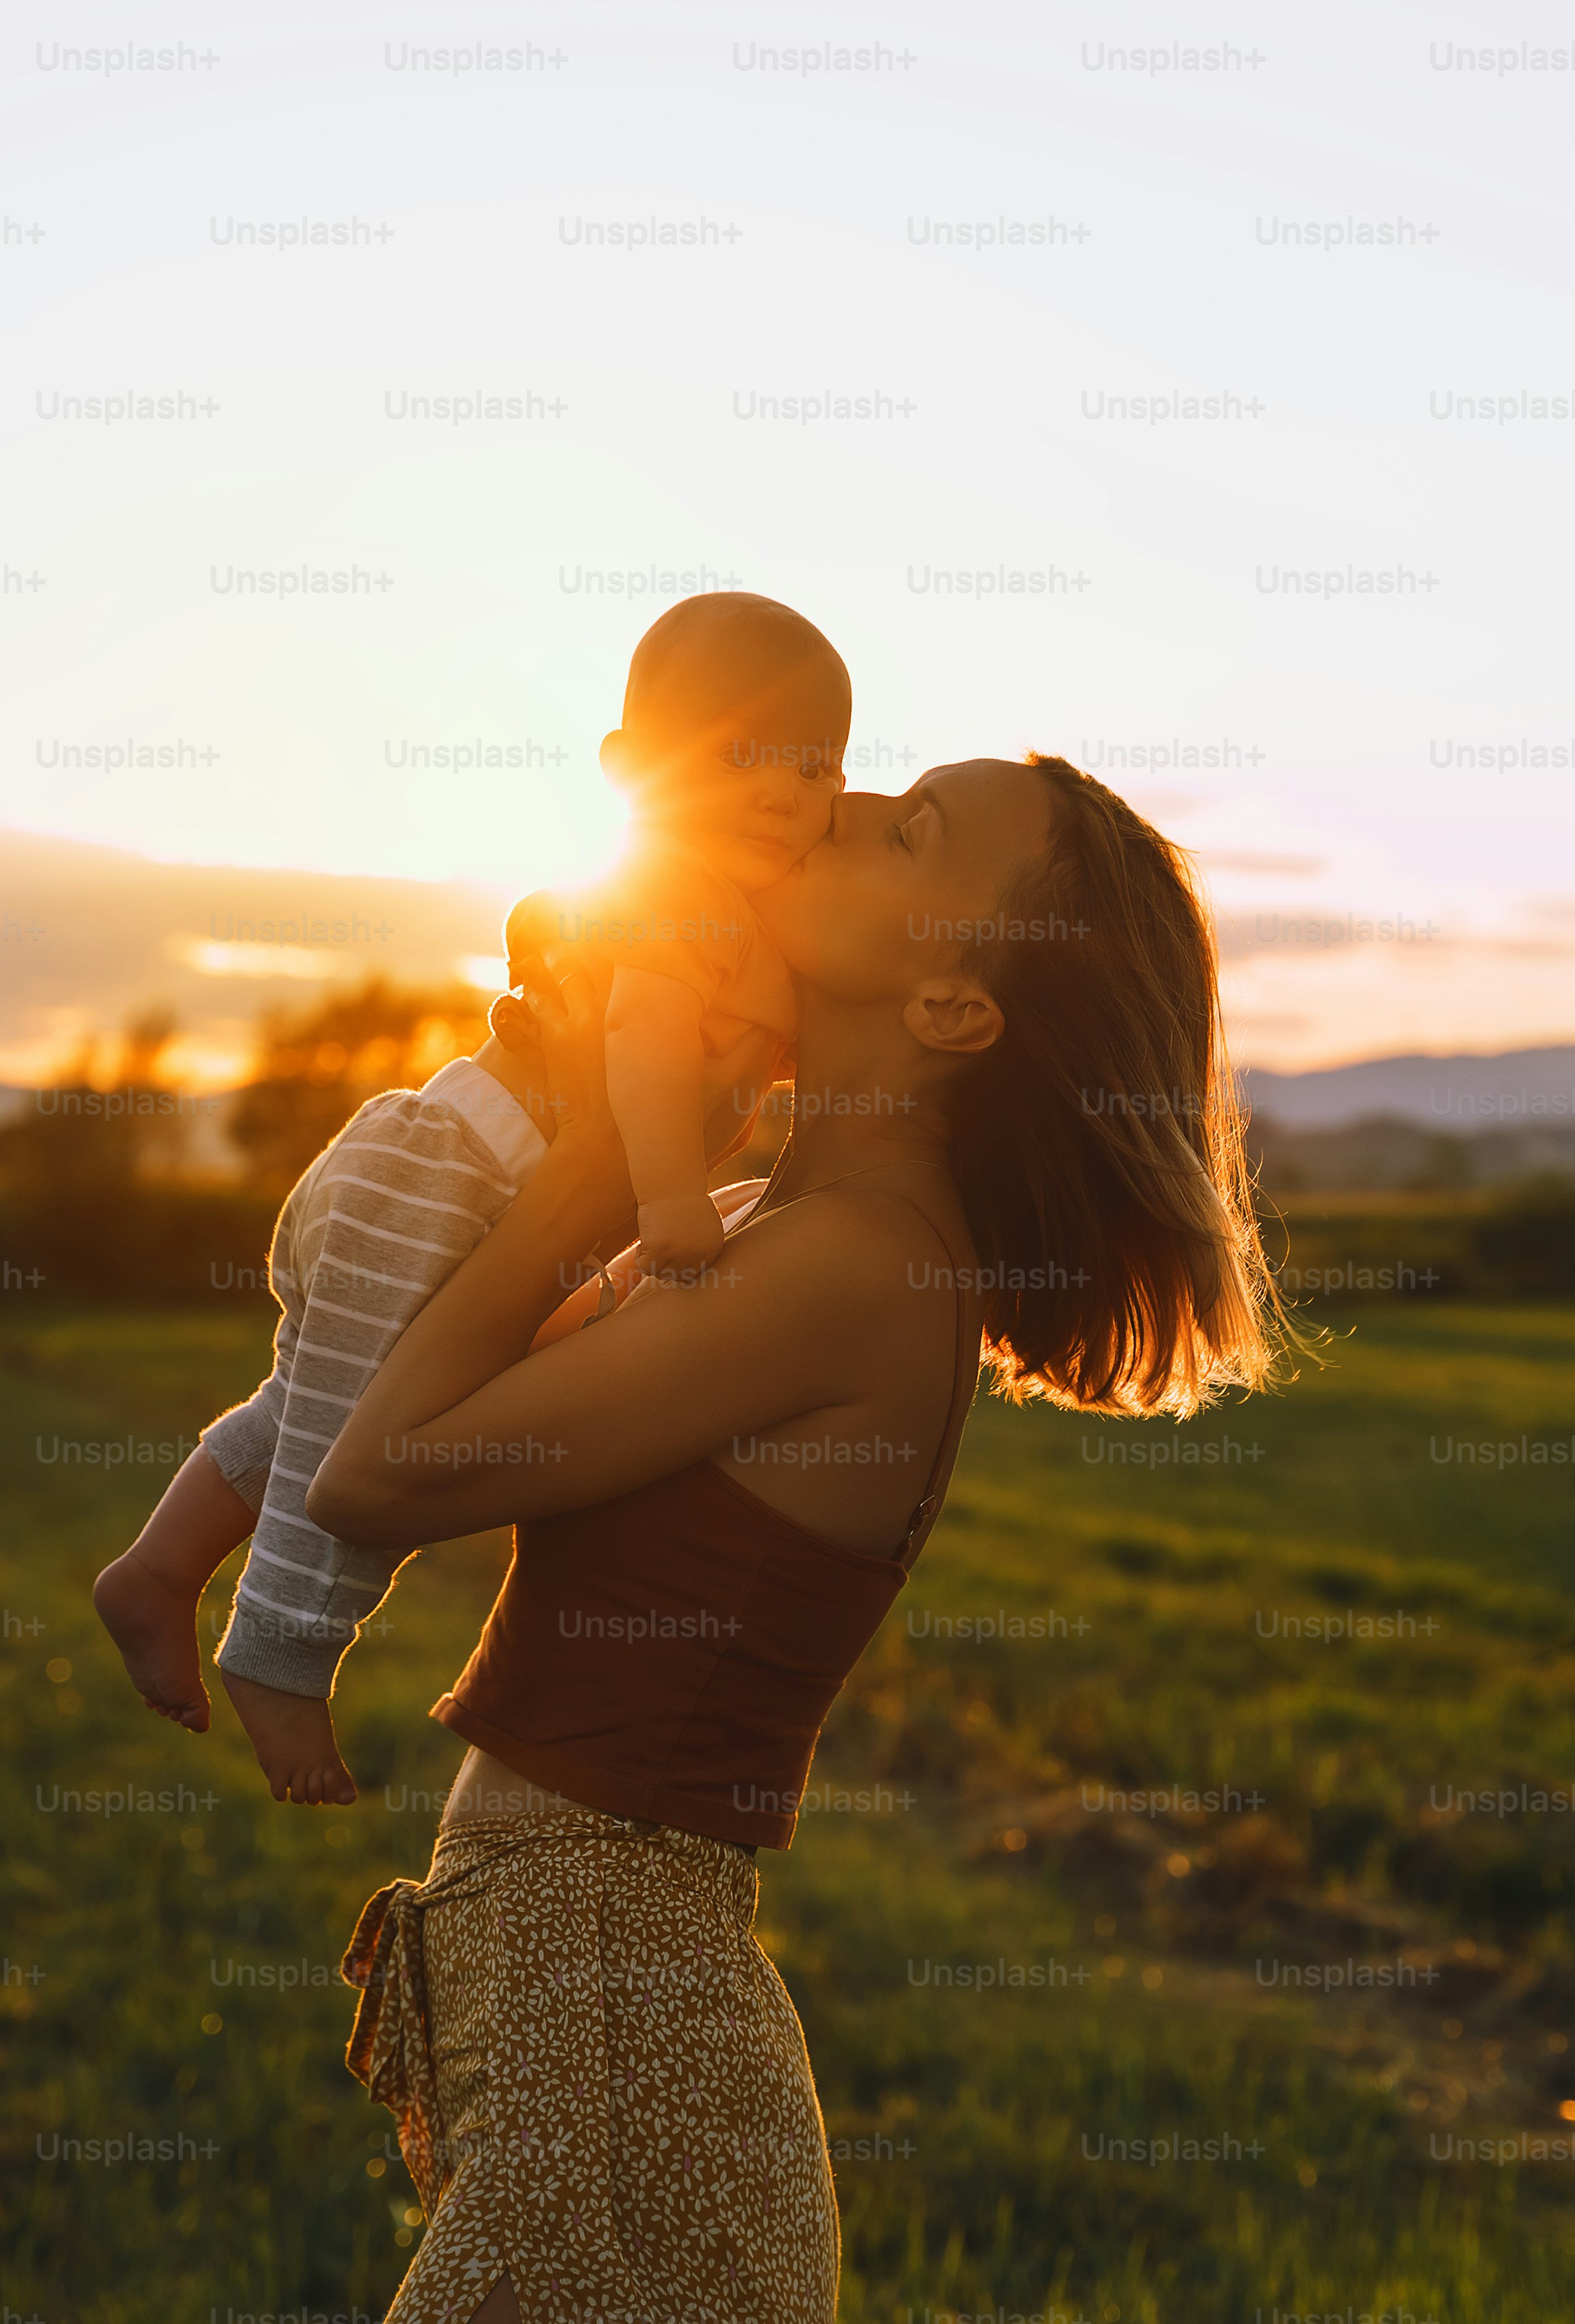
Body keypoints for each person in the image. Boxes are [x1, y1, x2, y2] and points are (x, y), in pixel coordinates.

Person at [303, 754, 1282, 2324]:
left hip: (618, 1997)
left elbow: (380, 1471)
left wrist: (591, 1179)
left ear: (956, 1006)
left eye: (908, 834)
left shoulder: (850, 1264)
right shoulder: (762, 1211)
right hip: (594, 1985)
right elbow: (402, 1375)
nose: (828, 807)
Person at [90, 594, 846, 1803]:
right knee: (365, 1436)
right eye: (739, 755)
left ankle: (154, 1571)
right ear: (635, 775)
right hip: (449, 1173)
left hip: (446, 1171)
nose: (779, 788)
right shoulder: (672, 888)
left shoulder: (739, 916)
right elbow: (646, 1049)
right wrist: (668, 1196)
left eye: (813, 765)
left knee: (319, 1400)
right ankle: (281, 1656)